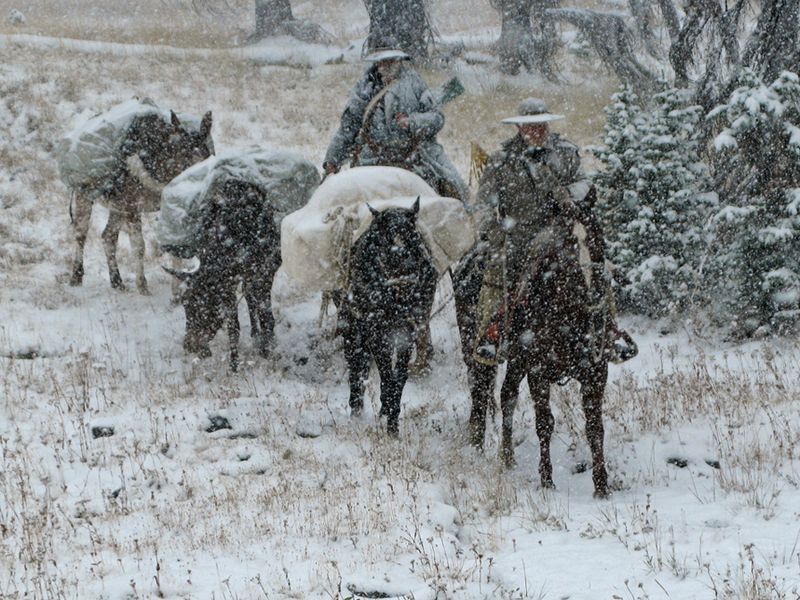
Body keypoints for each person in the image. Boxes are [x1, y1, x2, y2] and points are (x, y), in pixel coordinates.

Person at [470, 98, 587, 364]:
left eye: (540, 125)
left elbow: (584, 182)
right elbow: (484, 204)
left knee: (591, 268)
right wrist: (494, 231)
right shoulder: (502, 160)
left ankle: (605, 329)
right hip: (514, 237)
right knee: (495, 278)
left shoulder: (566, 153)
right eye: (529, 126)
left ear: (547, 124)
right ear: (519, 127)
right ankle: (491, 336)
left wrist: (566, 196)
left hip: (558, 231)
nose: (535, 131)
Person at [323, 39, 468, 202]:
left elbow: (436, 118)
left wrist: (412, 121)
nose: (385, 66)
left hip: (415, 159)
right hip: (371, 161)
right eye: (381, 61)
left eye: (390, 61)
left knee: (455, 192)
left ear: (398, 61)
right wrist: (332, 161)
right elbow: (347, 128)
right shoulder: (365, 88)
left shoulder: (414, 83)